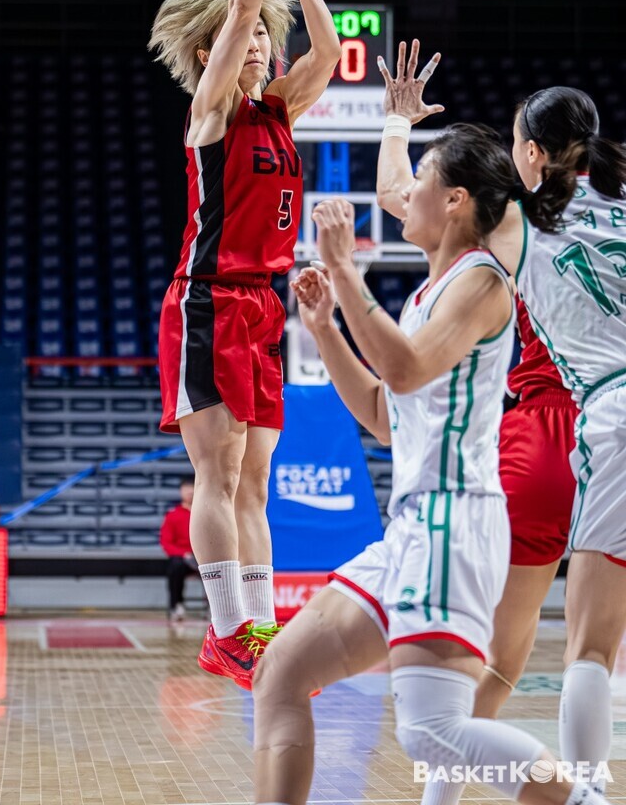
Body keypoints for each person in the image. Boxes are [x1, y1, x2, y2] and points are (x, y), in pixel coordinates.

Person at [253, 117, 608, 805]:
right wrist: (324, 330)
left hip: (454, 523)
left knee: (433, 733)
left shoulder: (483, 282)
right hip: (411, 530)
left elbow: (406, 369)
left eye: (421, 179)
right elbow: (384, 415)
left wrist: (346, 270)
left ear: (455, 200)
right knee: (281, 675)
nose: (406, 193)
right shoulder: (423, 296)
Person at [374, 54, 626, 792]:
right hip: (594, 428)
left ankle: (563, 791)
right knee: (601, 647)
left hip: (555, 434)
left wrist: (397, 123)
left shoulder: (517, 217)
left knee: (501, 661)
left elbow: (398, 196)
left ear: (534, 153)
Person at [148, 0, 340, 689]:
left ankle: (257, 630)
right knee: (219, 475)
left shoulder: (280, 110)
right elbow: (238, 11)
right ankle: (225, 629)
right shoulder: (213, 111)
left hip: (261, 308)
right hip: (207, 302)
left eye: (265, 32)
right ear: (212, 53)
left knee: (257, 482)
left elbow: (328, 53)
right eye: (248, 32)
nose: (259, 39)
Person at [160, 477, 198, 620]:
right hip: (183, 558)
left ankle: (214, 609)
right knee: (175, 566)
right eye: (186, 488)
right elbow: (166, 542)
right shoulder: (173, 515)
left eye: (192, 487)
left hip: (202, 557)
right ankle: (176, 605)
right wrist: (184, 554)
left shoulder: (205, 513)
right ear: (181, 491)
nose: (190, 491)